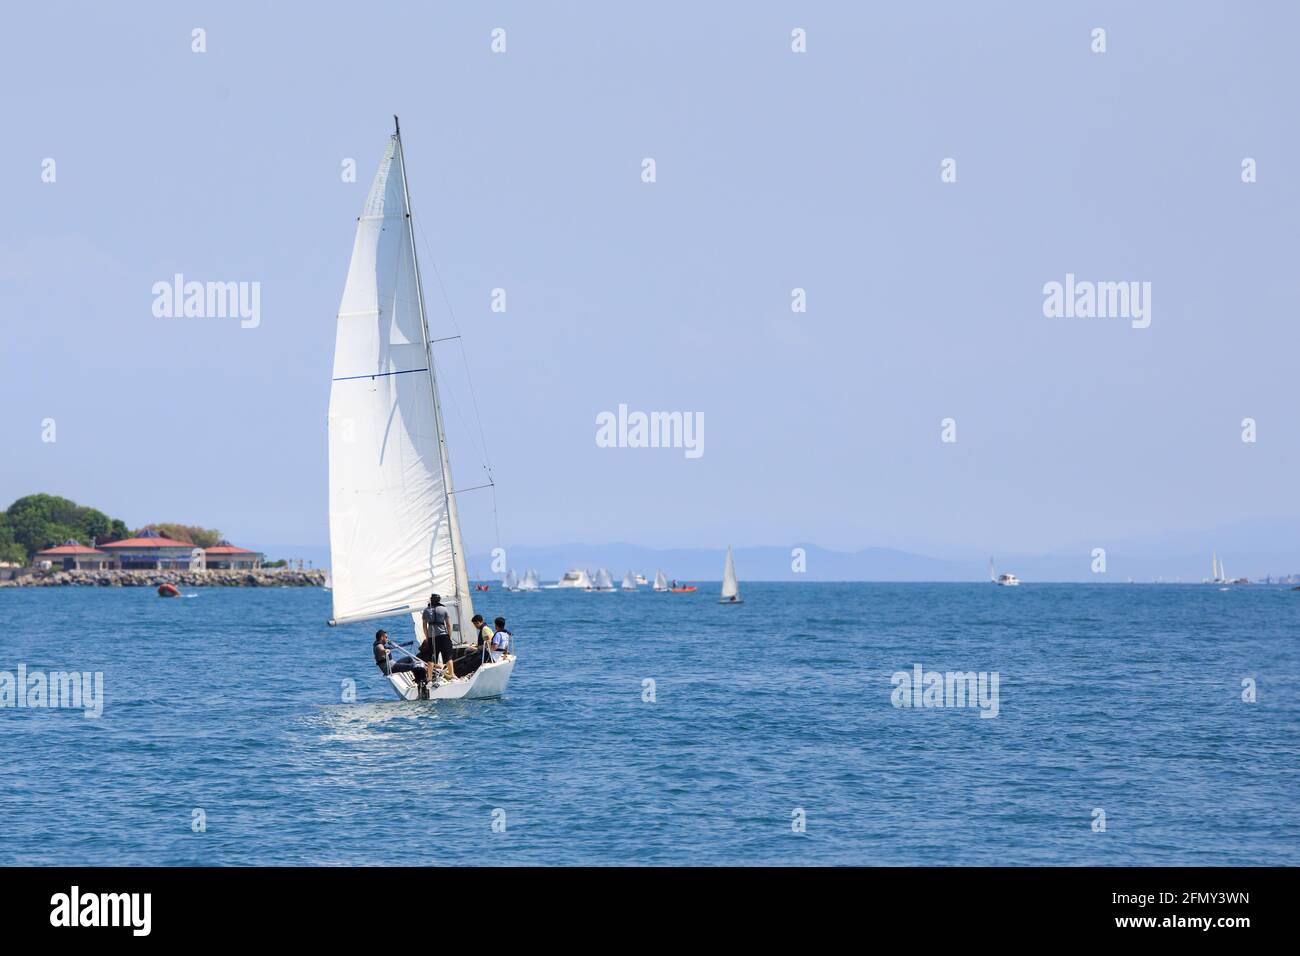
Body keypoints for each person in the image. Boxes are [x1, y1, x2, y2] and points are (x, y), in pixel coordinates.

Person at [421, 593, 456, 679]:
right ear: (439, 600)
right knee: (448, 657)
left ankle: (429, 677)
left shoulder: (426, 610)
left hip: (432, 637)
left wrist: (427, 637)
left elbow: (424, 626)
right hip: (444, 636)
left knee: (431, 658)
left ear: (431, 600)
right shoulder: (444, 609)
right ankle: (452, 675)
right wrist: (449, 636)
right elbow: (448, 624)